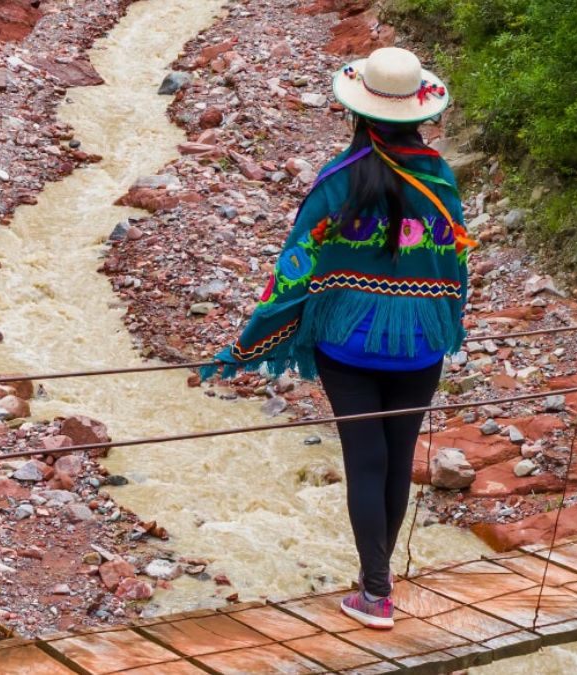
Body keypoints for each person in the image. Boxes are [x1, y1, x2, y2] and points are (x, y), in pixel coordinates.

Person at [202, 47, 473, 630]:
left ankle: (375, 588)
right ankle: (376, 585)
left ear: (358, 112)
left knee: (365, 459)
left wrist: (248, 343)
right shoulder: (440, 179)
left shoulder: (339, 181)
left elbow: (295, 268)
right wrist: (447, 317)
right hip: (421, 341)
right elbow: (455, 263)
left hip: (347, 341)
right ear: (418, 114)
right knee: (398, 457)